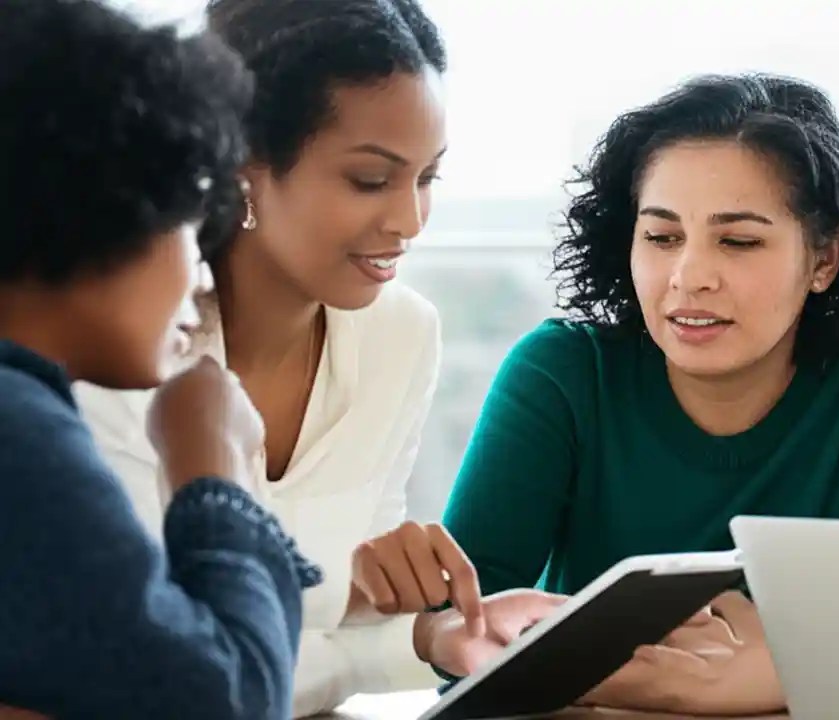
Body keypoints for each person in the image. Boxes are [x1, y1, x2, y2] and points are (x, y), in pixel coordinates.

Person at [75, 0, 562, 715]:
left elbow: (295, 642)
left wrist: (433, 638)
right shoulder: (120, 343)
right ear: (242, 164)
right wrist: (364, 607)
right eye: (371, 180)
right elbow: (164, 672)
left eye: (427, 178)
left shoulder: (399, 336)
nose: (409, 221)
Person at [442, 72, 839, 714]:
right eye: (662, 237)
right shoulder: (561, 373)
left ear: (825, 258)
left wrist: (608, 672)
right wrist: (769, 674)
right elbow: (461, 638)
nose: (688, 278)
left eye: (738, 241)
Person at [0, 1, 321, 717]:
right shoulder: (17, 432)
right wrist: (209, 465)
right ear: (103, 208)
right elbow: (229, 700)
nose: (202, 273)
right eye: (187, 220)